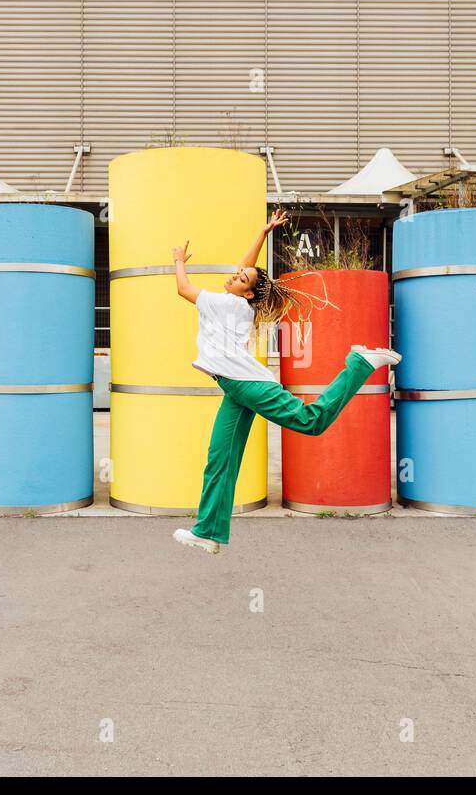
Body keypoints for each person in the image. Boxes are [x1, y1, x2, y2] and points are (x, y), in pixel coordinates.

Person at [170, 209, 401, 554]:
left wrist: (178, 260)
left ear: (247, 293)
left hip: (247, 385)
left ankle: (359, 364)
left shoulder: (224, 304)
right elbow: (247, 268)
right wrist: (262, 234)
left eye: (240, 278)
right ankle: (209, 531)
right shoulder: (239, 302)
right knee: (220, 458)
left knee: (310, 421)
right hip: (235, 388)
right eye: (238, 274)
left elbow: (182, 288)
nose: (234, 275)